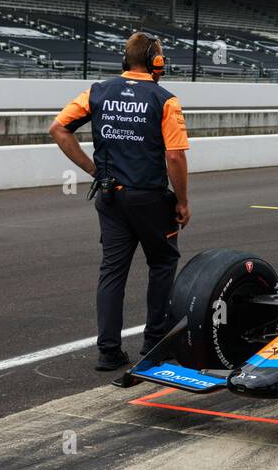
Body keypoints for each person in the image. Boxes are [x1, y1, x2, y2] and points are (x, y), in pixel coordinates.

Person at [49, 33, 191, 371]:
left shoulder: (97, 91)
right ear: (157, 62)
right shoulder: (165, 100)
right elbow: (174, 156)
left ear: (126, 61)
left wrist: (94, 170)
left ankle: (108, 351)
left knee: (112, 272)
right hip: (150, 199)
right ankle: (154, 342)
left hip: (110, 196)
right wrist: (183, 200)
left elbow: (58, 129)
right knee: (161, 264)